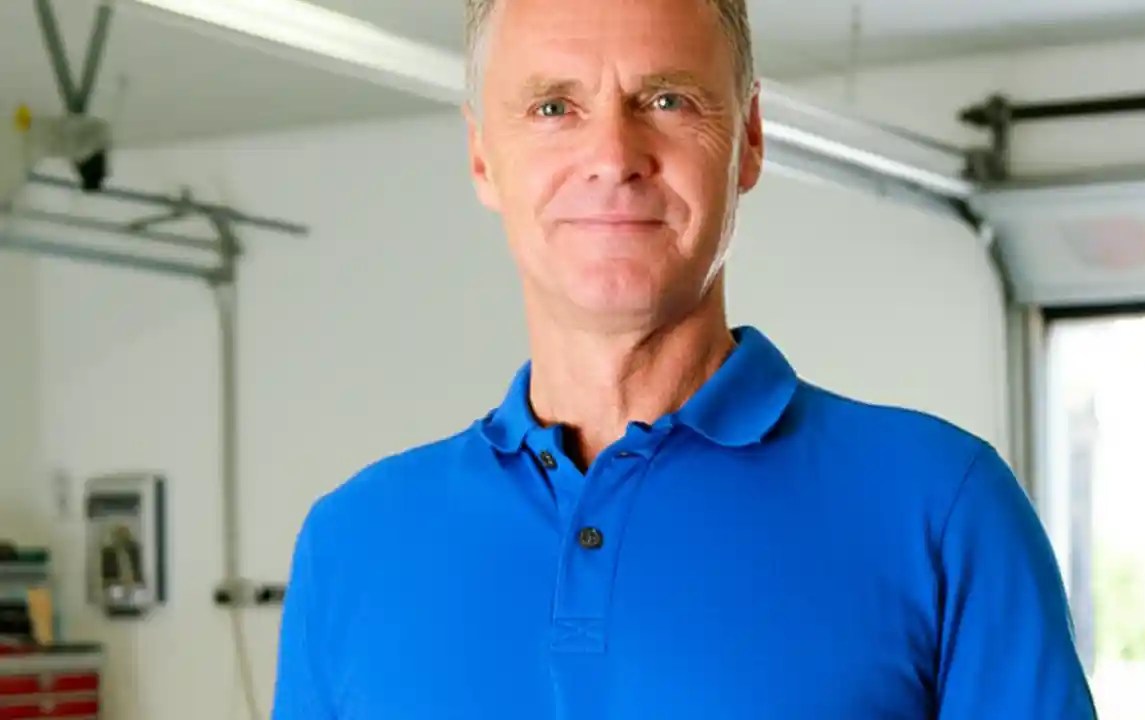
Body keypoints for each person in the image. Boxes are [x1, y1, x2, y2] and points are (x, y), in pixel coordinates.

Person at [272, 0, 1097, 717]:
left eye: (666, 99)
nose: (614, 155)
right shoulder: (350, 544)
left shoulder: (942, 511)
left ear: (748, 140)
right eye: (554, 107)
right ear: (483, 154)